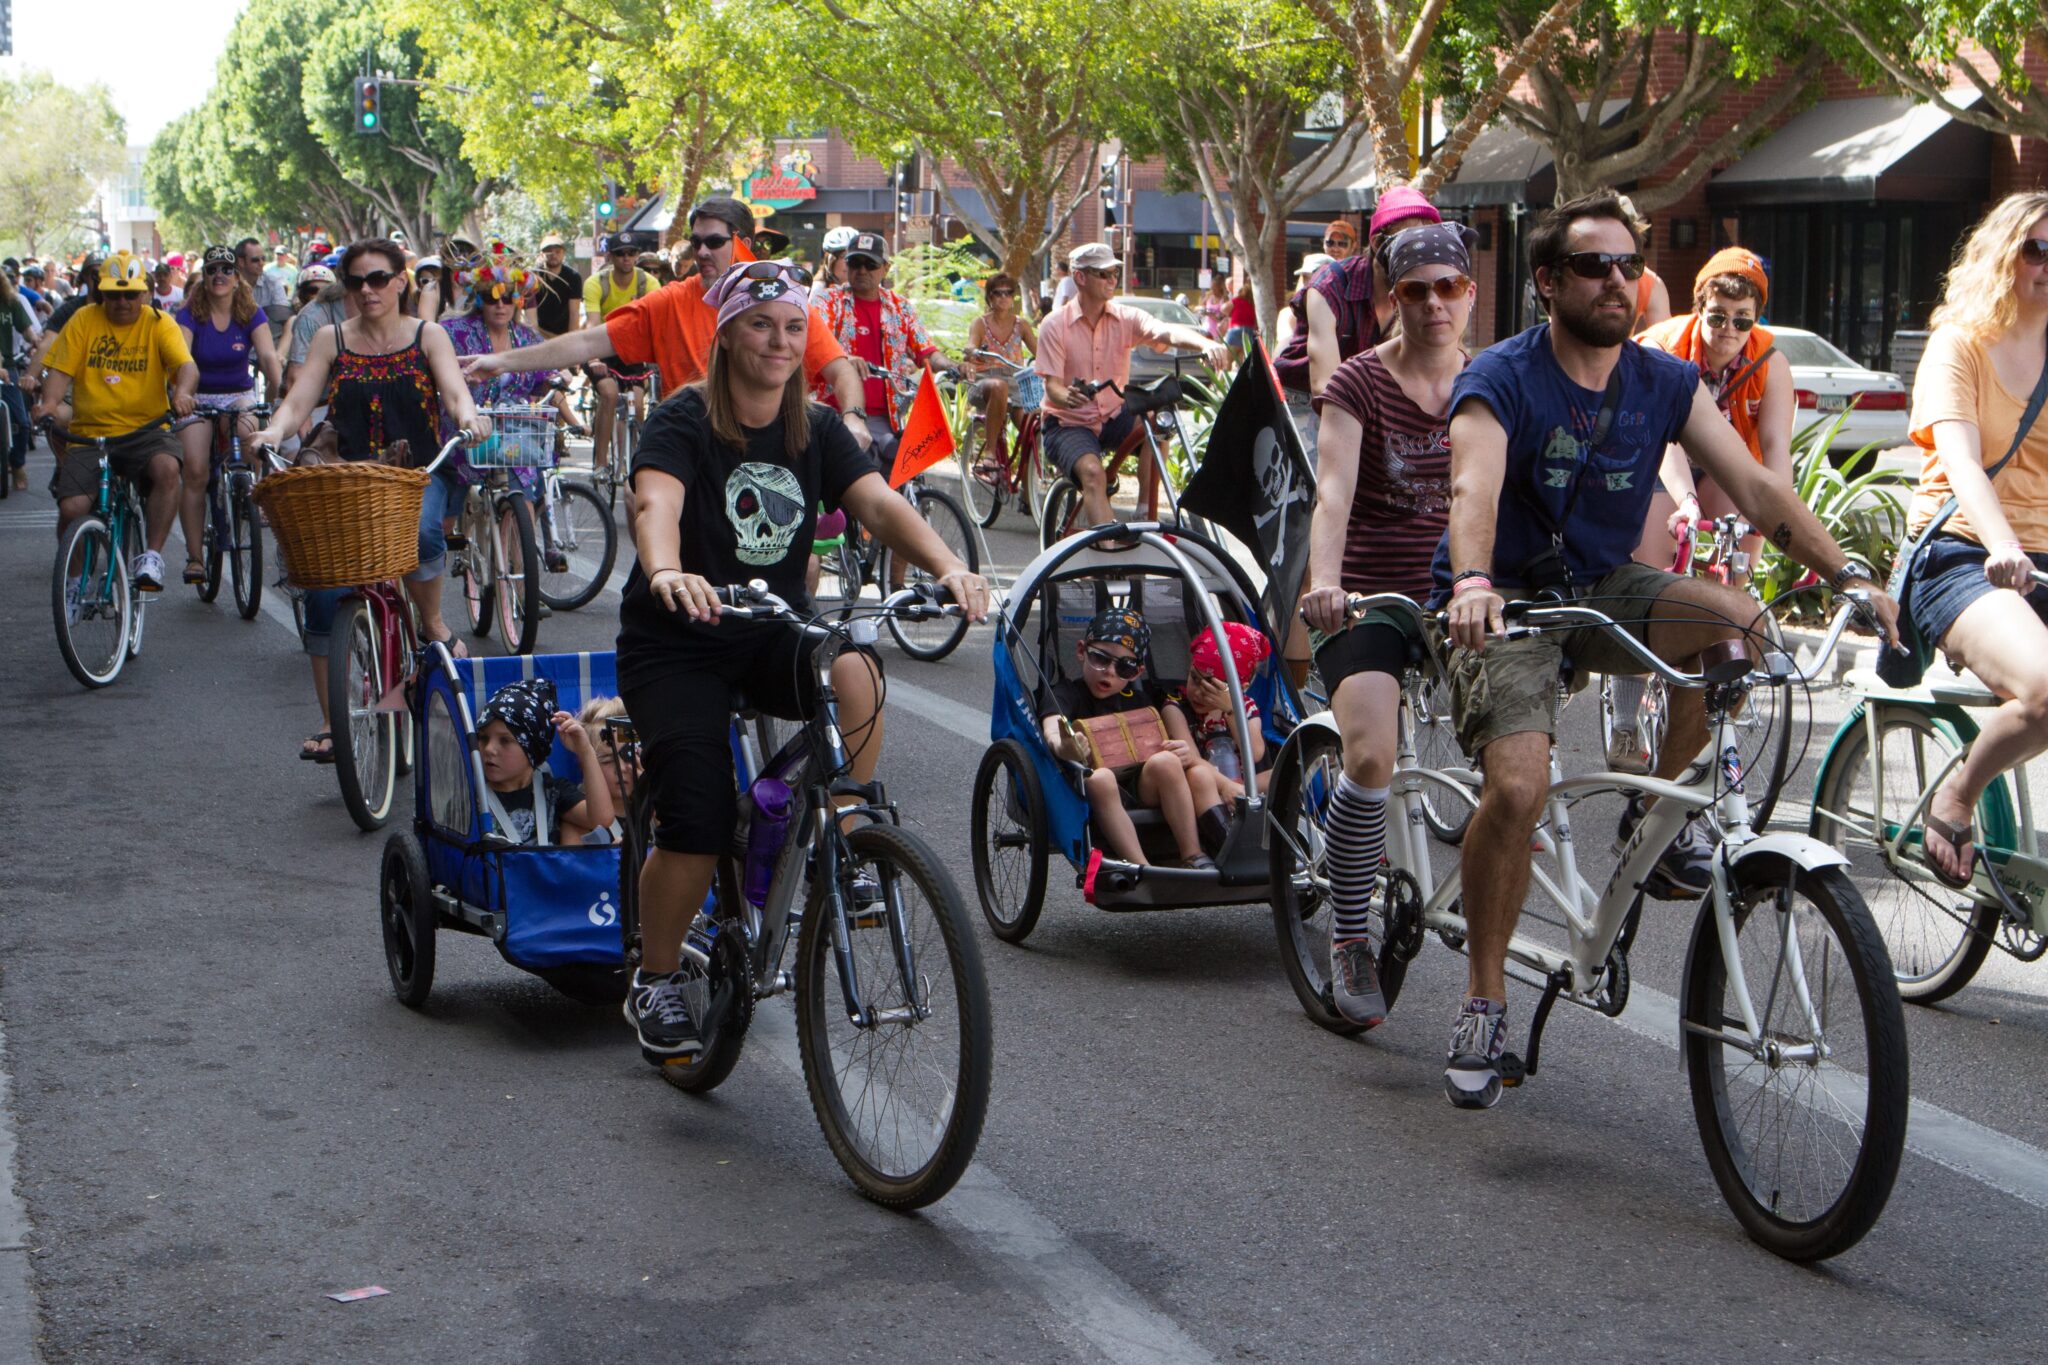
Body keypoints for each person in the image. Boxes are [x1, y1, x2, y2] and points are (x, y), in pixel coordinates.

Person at [1434, 190, 1901, 1109]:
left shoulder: (1664, 384)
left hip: (1607, 589)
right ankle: (1484, 1000)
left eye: (1627, 265)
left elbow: (1759, 487)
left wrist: (1848, 573)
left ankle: (1661, 824)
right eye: (1592, 266)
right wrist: (1475, 583)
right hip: (1510, 602)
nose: (1616, 281)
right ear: (1547, 282)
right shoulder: (1501, 376)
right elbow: (1471, 490)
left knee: (1739, 622)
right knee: (1520, 787)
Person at [614, 260, 990, 1056]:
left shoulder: (814, 427)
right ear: (726, 336)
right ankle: (653, 978)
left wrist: (948, 564)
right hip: (677, 638)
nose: (780, 342)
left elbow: (879, 504)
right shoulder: (683, 419)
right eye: (760, 324)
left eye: (793, 327)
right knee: (696, 815)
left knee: (854, 668)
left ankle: (847, 827)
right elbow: (658, 503)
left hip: (766, 625)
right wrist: (666, 570)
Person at [1297, 222, 1478, 1028]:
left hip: (1459, 596)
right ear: (1391, 298)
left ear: (1470, 294)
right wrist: (1327, 583)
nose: (1434, 303)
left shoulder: (1492, 382)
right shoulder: (1359, 384)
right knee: (1369, 754)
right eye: (1416, 289)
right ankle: (1347, 933)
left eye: (1449, 287)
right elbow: (1331, 494)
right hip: (1368, 595)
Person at [250, 238, 489, 762]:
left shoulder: (429, 335)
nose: (367, 290)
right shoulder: (332, 340)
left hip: (416, 477)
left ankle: (429, 623)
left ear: (401, 280)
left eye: (378, 278)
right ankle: (335, 720)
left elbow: (454, 393)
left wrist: (469, 419)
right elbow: (298, 401)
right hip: (349, 484)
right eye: (356, 281)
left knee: (426, 531)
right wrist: (273, 433)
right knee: (319, 590)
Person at [1896, 191, 2048, 886]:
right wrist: (2001, 545)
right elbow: (1960, 463)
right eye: (2036, 249)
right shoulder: (1960, 344)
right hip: (1962, 552)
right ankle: (1957, 794)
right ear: (2001, 257)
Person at [457, 198, 871, 449]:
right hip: (695, 448)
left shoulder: (785, 299)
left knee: (809, 563)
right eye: (696, 243)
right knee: (646, 503)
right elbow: (586, 343)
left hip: (771, 452)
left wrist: (853, 419)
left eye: (714, 241)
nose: (702, 251)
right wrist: (501, 362)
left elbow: (839, 370)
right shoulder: (673, 300)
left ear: (742, 243)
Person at [31, 250, 198, 592]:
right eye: (113, 294)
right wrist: (49, 403)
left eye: (130, 294)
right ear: (100, 291)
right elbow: (60, 370)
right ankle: (74, 579)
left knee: (168, 469)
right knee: (72, 507)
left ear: (145, 293)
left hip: (147, 430)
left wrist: (182, 393)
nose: (122, 301)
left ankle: (151, 556)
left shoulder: (159, 323)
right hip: (91, 434)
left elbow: (186, 365)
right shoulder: (83, 320)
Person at [1036, 243, 1228, 530]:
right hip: (1068, 423)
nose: (1112, 280)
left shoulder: (1125, 317)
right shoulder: (1055, 324)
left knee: (1158, 429)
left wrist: (1206, 342)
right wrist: (1069, 397)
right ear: (1080, 277)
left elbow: (1164, 331)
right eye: (1104, 274)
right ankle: (1108, 557)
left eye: (1115, 273)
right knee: (1093, 474)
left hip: (1114, 415)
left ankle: (1143, 515)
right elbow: (1052, 387)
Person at [1633, 247, 1795, 581]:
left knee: (1737, 570)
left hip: (1720, 461)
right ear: (1699, 310)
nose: (1730, 329)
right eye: (1718, 316)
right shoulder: (1662, 350)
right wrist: (1687, 501)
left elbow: (1776, 445)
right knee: (1654, 573)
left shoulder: (1770, 362)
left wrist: (1780, 512)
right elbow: (1665, 441)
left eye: (1742, 320)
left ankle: (1726, 625)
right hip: (1658, 460)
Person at [1040, 608, 1227, 871]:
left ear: (1137, 672)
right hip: (1084, 787)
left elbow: (1162, 742)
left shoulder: (1139, 701)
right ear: (1082, 651)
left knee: (1166, 761)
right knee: (1102, 777)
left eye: (1124, 667)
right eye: (1099, 659)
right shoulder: (1067, 693)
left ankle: (1192, 855)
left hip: (1137, 783)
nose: (1110, 672)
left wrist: (1180, 751)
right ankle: (1141, 866)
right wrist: (1063, 746)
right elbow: (1051, 729)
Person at [441, 255, 576, 562]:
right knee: (444, 524)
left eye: (508, 298)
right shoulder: (454, 332)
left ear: (519, 301)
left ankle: (519, 589)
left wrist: (557, 381)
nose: (500, 306)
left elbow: (544, 380)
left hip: (514, 437)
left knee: (524, 508)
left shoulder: (527, 337)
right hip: (467, 433)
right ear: (479, 300)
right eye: (491, 298)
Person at [173, 246, 282, 582]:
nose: (219, 275)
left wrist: (277, 401)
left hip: (238, 394)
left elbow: (267, 358)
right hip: (198, 396)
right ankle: (195, 558)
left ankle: (241, 487)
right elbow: (181, 358)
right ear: (204, 278)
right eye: (212, 270)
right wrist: (182, 396)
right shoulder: (190, 313)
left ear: (237, 278)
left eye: (226, 269)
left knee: (251, 436)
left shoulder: (250, 312)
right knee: (194, 470)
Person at [812, 232, 955, 462]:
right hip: (837, 414)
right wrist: (843, 359)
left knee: (907, 472)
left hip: (889, 417)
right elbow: (818, 344)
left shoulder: (901, 307)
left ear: (885, 268)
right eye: (855, 263)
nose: (862, 270)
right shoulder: (828, 301)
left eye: (870, 264)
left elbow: (926, 351)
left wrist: (952, 365)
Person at [474, 679, 615, 847]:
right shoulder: (473, 799)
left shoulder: (554, 792)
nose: (489, 749)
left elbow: (601, 819)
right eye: (483, 738)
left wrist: (584, 751)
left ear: (532, 750)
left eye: (505, 740)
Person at [1181, 621, 1270, 799]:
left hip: (1244, 784)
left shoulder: (1244, 706)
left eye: (1211, 688)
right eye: (1195, 679)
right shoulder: (1178, 706)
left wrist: (1230, 709)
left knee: (1278, 774)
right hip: (1203, 785)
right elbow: (1191, 758)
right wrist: (1226, 786)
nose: (1198, 693)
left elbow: (1254, 753)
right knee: (1198, 776)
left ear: (1240, 689)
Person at [963, 272, 1036, 469]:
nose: (1003, 297)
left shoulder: (1022, 325)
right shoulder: (980, 323)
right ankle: (990, 452)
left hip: (1015, 383)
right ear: (989, 297)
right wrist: (971, 352)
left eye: (1008, 292)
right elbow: (971, 345)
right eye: (998, 293)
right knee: (998, 386)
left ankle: (1031, 476)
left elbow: (1041, 351)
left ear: (1013, 297)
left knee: (1031, 423)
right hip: (985, 381)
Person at [283, 268, 349, 398]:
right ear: (302, 294)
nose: (321, 294)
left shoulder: (343, 317)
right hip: (309, 401)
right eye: (312, 290)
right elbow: (292, 370)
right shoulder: (303, 319)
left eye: (327, 289)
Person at [0, 268, 37, 491]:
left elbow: (27, 330)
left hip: (9, 368)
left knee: (22, 423)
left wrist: (35, 342)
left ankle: (18, 463)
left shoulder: (10, 301)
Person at [238, 238, 290, 354]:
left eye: (263, 258)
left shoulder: (273, 283)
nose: (261, 263)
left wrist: (280, 354)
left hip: (268, 350)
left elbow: (287, 319)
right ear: (241, 262)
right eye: (255, 260)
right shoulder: (229, 285)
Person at [1275, 253, 1334, 352]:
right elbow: (1287, 352)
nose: (1306, 284)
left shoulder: (1340, 317)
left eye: (1314, 277)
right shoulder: (1288, 315)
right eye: (1304, 277)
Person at [529, 234, 582, 339]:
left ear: (563, 253)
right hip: (538, 333)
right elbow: (529, 317)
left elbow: (574, 314)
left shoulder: (573, 277)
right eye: (549, 252)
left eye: (558, 251)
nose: (553, 255)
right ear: (541, 254)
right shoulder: (533, 276)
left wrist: (571, 341)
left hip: (564, 335)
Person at [1224, 279, 1256, 363]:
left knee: (1227, 360)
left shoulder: (1237, 301)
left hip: (1235, 330)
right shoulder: (1253, 304)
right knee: (1243, 363)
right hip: (1249, 331)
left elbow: (1223, 308)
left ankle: (1223, 375)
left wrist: (1230, 314)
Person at [1199, 273, 1230, 341]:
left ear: (1219, 288)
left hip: (1218, 332)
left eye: (1214, 288)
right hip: (1207, 329)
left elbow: (1224, 318)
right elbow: (1202, 306)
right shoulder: (1209, 297)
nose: (1212, 290)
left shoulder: (1224, 299)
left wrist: (1212, 315)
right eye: (1211, 288)